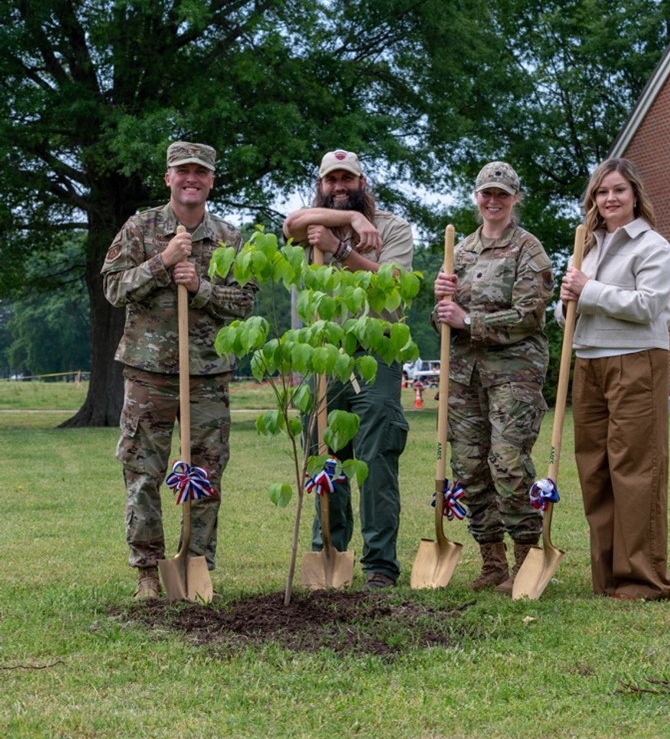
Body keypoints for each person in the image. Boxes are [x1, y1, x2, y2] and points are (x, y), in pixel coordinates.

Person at [102, 142, 256, 600]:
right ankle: (148, 571)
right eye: (182, 171)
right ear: (168, 177)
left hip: (207, 375)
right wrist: (162, 262)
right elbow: (113, 288)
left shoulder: (229, 238)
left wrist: (202, 288)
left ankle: (197, 566)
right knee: (143, 473)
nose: (191, 179)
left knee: (206, 474)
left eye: (200, 172)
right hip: (148, 373)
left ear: (211, 180)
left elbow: (246, 302)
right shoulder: (140, 228)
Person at [283, 149, 414, 588]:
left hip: (375, 352)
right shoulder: (311, 226)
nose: (340, 187)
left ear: (363, 184)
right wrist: (348, 224)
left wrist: (341, 249)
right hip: (324, 354)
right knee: (326, 455)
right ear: (322, 185)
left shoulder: (394, 227)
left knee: (376, 458)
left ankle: (380, 565)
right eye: (332, 181)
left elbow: (393, 285)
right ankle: (329, 551)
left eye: (348, 181)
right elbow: (291, 224)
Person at [558, 157, 670, 601]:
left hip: (636, 361)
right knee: (595, 469)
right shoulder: (588, 247)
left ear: (635, 195)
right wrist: (566, 300)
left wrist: (587, 291)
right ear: (593, 199)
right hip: (589, 362)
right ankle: (609, 575)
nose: (609, 198)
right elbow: (571, 315)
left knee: (635, 469)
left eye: (618, 190)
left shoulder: (653, 247)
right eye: (601, 191)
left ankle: (643, 579)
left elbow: (647, 305)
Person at [433, 161, 554, 595]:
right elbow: (446, 322)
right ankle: (492, 562)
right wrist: (441, 306)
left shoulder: (529, 250)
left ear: (515, 198)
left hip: (513, 374)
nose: (493, 201)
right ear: (476, 196)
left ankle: (527, 557)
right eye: (487, 193)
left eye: (502, 194)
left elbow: (528, 316)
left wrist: (467, 319)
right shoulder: (460, 251)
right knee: (468, 467)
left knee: (507, 462)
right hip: (465, 376)